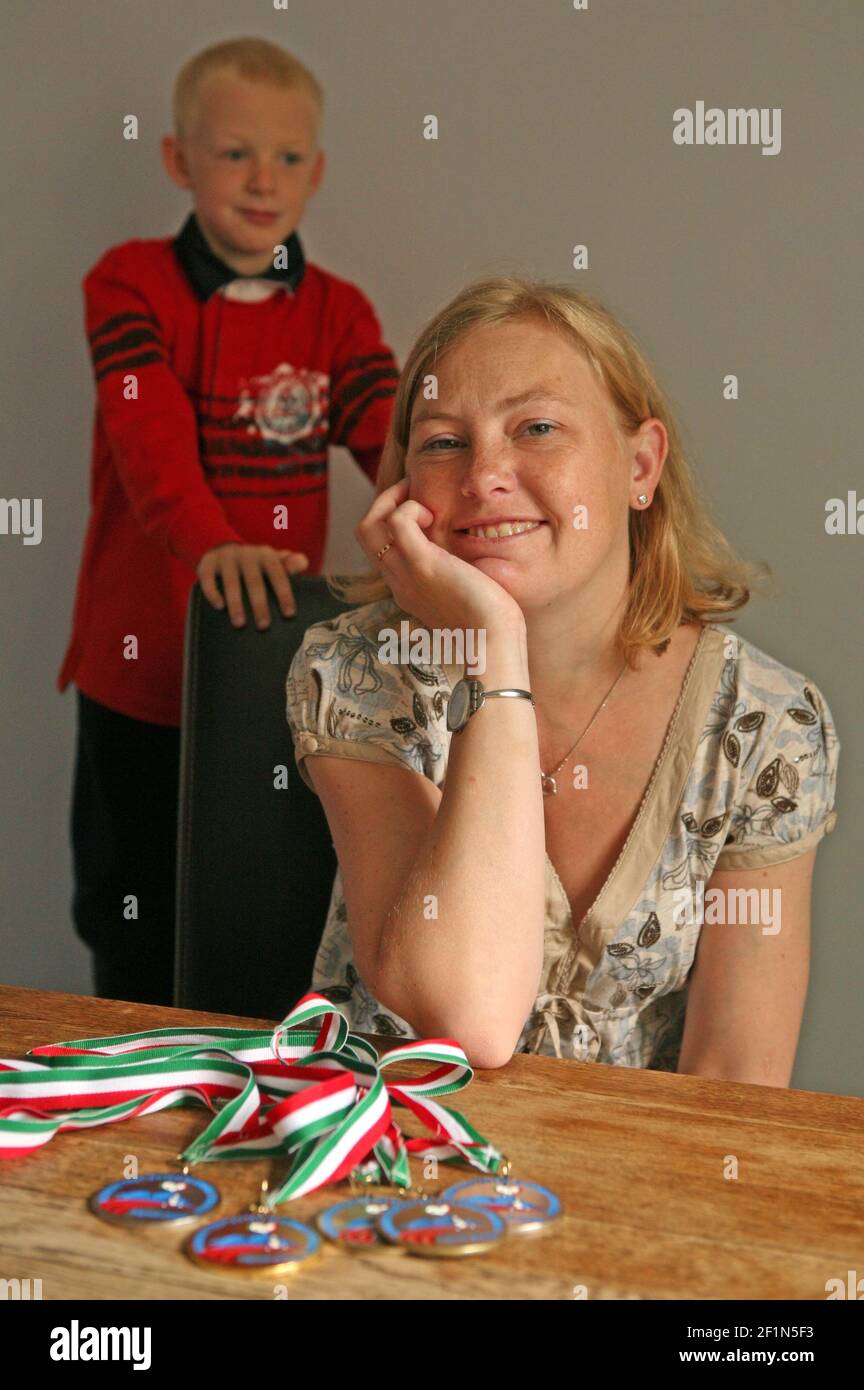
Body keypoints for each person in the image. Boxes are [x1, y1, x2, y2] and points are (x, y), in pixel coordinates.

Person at [285, 276, 841, 1082]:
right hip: (396, 1178)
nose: (483, 476)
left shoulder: (765, 727)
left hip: (637, 1187)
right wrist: (495, 653)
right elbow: (466, 1020)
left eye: (537, 428)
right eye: (442, 442)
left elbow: (737, 1081)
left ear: (641, 465)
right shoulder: (359, 672)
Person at [57, 38, 399, 1005]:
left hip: (272, 672)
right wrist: (212, 541)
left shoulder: (338, 313)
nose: (264, 179)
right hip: (140, 669)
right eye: (235, 152)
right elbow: (148, 438)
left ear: (317, 171)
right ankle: (126, 1094)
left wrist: (457, 529)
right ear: (179, 160)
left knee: (263, 909)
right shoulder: (127, 284)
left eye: (288, 158)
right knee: (128, 902)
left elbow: (396, 444)